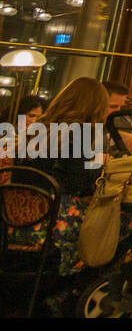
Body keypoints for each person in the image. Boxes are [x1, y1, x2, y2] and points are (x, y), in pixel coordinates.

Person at [12, 78, 110, 276]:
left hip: (15, 217)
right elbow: (77, 184)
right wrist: (101, 165)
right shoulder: (82, 131)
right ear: (96, 107)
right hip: (51, 220)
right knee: (116, 223)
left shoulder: (37, 127)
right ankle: (74, 288)